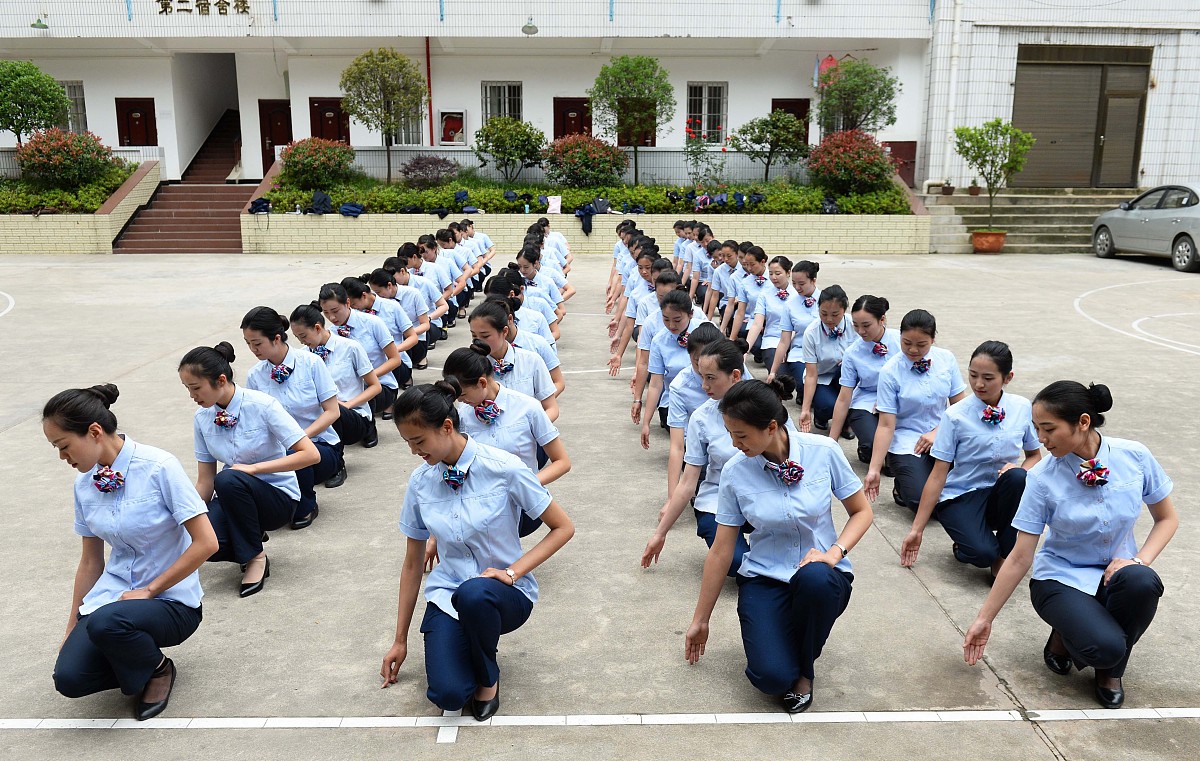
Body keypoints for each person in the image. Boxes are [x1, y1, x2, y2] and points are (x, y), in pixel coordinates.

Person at [964, 381, 1177, 710]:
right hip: (1060, 579)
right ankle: (1075, 636)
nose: (1041, 440)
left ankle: (1108, 672)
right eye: (1036, 429)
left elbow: (1167, 519)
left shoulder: (1134, 455)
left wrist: (1138, 559)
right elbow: (1020, 557)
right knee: (1106, 645)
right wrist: (985, 618)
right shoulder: (1040, 478)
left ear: (1083, 422)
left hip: (1115, 574)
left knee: (1143, 581)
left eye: (1049, 429)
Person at [380, 382, 575, 721]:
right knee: (448, 695)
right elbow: (412, 564)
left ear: (446, 426)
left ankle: (488, 678)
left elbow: (563, 527)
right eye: (407, 443)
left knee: (474, 593)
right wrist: (399, 640)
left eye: (419, 441)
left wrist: (512, 572)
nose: (414, 451)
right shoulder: (420, 482)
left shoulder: (505, 467)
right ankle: (463, 649)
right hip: (448, 593)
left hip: (502, 594)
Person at [684, 379, 873, 713]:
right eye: (730, 433)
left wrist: (833, 553)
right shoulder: (735, 471)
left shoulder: (823, 452)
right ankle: (782, 648)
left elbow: (862, 511)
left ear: (771, 427)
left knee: (816, 580)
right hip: (765, 576)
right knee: (770, 678)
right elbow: (722, 550)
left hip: (822, 575)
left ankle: (805, 671)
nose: (734, 443)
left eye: (741, 435)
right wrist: (701, 618)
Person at [46, 384, 218, 721]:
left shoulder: (159, 466)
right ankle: (130, 654)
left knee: (108, 622)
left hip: (170, 602)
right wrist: (70, 627)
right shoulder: (84, 485)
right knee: (69, 679)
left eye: (64, 446)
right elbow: (91, 561)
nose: (62, 457)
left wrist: (150, 590)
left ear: (94, 432)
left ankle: (157, 668)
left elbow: (206, 542)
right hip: (113, 600)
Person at [179, 343, 320, 597]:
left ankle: (255, 557)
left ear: (221, 380)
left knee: (230, 477)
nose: (192, 396)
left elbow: (310, 454)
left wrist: (255, 468)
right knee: (198, 540)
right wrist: (186, 520)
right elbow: (205, 481)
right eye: (187, 389)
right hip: (234, 498)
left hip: (276, 497)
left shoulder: (263, 405)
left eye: (196, 388)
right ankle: (250, 535)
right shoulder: (202, 419)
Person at [900, 341, 1042, 577]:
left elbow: (1034, 456)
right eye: (973, 375)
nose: (978, 384)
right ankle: (969, 545)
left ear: (1008, 377)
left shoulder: (1021, 407)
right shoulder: (955, 415)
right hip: (962, 495)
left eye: (988, 377)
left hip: (1001, 493)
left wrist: (1018, 468)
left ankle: (1004, 555)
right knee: (981, 553)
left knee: (1019, 477)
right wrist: (917, 529)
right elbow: (938, 474)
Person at [642, 339, 760, 575]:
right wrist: (660, 533)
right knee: (735, 564)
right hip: (719, 497)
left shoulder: (764, 404)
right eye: (701, 376)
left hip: (762, 495)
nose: (703, 385)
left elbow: (792, 455)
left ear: (735, 375)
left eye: (711, 378)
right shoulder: (701, 418)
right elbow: (689, 481)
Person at [242, 306, 344, 523]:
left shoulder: (311, 363)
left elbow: (332, 412)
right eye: (248, 343)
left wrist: (299, 439)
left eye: (257, 343)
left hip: (319, 446)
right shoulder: (255, 376)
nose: (253, 349)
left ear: (276, 338)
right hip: (280, 451)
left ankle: (306, 504)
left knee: (296, 453)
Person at [865, 309, 968, 510]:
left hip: (943, 434)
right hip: (907, 442)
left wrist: (938, 433)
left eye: (921, 345)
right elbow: (886, 425)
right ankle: (903, 483)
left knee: (967, 488)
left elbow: (959, 407)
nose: (913, 350)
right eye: (906, 343)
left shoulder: (946, 359)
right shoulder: (890, 371)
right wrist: (874, 469)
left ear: (933, 339)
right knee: (921, 501)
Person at [289, 303, 382, 449]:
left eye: (303, 336)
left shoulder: (350, 347)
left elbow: (375, 386)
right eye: (297, 337)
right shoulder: (303, 356)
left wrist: (347, 405)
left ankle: (339, 460)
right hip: (321, 416)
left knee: (333, 409)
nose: (302, 341)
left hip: (351, 413)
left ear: (318, 328)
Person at [828, 295, 901, 465]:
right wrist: (832, 441)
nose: (861, 331)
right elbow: (844, 396)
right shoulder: (852, 353)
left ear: (882, 319)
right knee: (873, 447)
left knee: (893, 460)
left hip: (899, 399)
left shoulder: (900, 340)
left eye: (866, 325)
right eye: (856, 325)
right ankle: (864, 446)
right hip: (867, 400)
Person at [318, 282, 404, 420]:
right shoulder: (331, 333)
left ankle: (369, 429)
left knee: (362, 393)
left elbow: (395, 359)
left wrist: (367, 375)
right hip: (348, 389)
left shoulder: (372, 323)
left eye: (335, 311)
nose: (332, 318)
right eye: (326, 313)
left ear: (347, 303)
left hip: (379, 385)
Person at [468, 300, 559, 422]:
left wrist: (532, 429)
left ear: (504, 331)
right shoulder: (470, 366)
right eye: (474, 336)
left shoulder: (531, 361)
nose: (478, 341)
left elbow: (551, 407)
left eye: (485, 336)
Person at [635, 289, 708, 434]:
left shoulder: (706, 331)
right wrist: (646, 423)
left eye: (677, 320)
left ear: (691, 314)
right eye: (666, 319)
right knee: (685, 439)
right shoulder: (659, 341)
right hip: (675, 400)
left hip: (706, 397)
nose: (671, 326)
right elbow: (656, 383)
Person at [797, 285, 856, 436]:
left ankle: (846, 420)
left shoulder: (854, 326)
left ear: (844, 310)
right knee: (828, 405)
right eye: (824, 313)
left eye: (835, 314)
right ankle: (821, 414)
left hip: (848, 377)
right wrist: (805, 409)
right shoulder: (811, 333)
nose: (829, 319)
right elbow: (811, 374)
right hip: (822, 378)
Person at [342, 277, 418, 389]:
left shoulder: (391, 307)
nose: (351, 308)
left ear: (364, 295)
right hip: (367, 366)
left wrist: (392, 350)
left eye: (353, 304)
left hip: (394, 364)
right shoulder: (352, 315)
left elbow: (413, 337)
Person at [768, 260, 822, 392]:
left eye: (802, 283)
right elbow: (784, 340)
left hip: (823, 355)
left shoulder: (825, 300)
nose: (797, 287)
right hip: (800, 354)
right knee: (805, 385)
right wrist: (773, 371)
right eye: (794, 283)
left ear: (813, 281)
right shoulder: (790, 304)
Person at [363, 268, 432, 372]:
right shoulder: (376, 304)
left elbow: (425, 324)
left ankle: (419, 358)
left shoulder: (413, 293)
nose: (377, 296)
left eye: (378, 292)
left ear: (389, 285)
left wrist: (405, 332)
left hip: (412, 340)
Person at [746, 255, 795, 375]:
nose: (774, 277)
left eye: (778, 273)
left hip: (795, 341)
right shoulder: (765, 295)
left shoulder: (797, 295)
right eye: (771, 273)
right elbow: (757, 324)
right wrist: (745, 350)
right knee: (780, 376)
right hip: (772, 340)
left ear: (788, 273)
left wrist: (785, 346)